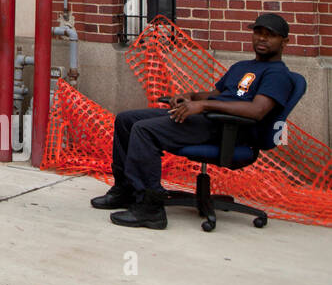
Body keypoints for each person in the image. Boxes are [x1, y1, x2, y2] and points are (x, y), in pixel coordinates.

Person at [92, 13, 297, 229]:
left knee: (144, 131)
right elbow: (217, 94)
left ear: (284, 42)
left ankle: (149, 209)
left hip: (228, 129)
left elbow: (257, 110)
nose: (262, 39)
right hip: (207, 119)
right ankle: (126, 191)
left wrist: (202, 106)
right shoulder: (242, 66)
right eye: (258, 33)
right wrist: (191, 97)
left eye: (270, 35)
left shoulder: (278, 74)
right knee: (126, 120)